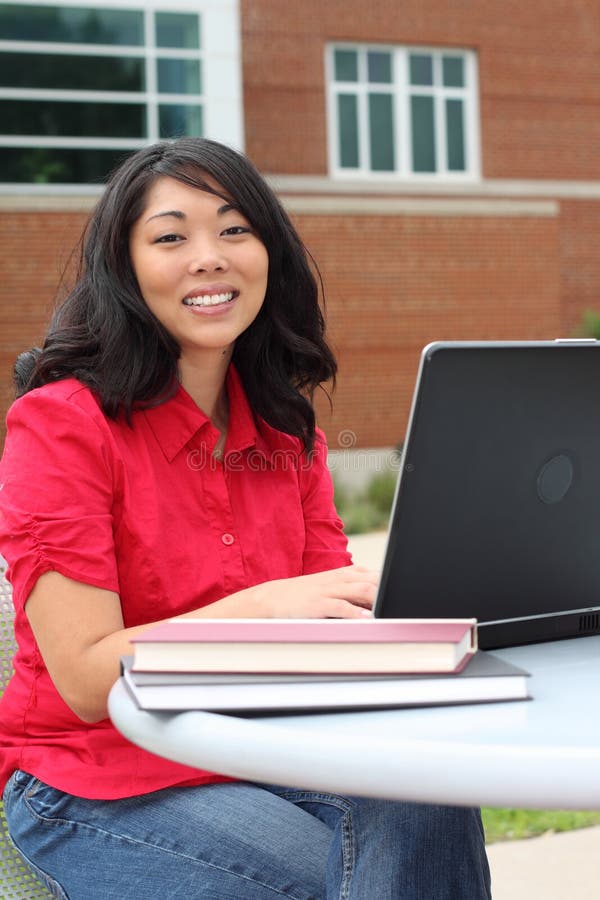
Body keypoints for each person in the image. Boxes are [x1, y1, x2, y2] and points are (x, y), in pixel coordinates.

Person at [0, 137, 491, 899]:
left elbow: (326, 629)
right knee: (329, 883)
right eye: (171, 236)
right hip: (99, 779)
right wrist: (262, 608)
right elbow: (89, 680)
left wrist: (419, 613)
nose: (209, 257)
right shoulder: (60, 427)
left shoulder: (286, 431)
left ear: (270, 252)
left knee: (428, 792)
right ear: (124, 269)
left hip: (267, 751)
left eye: (235, 229)